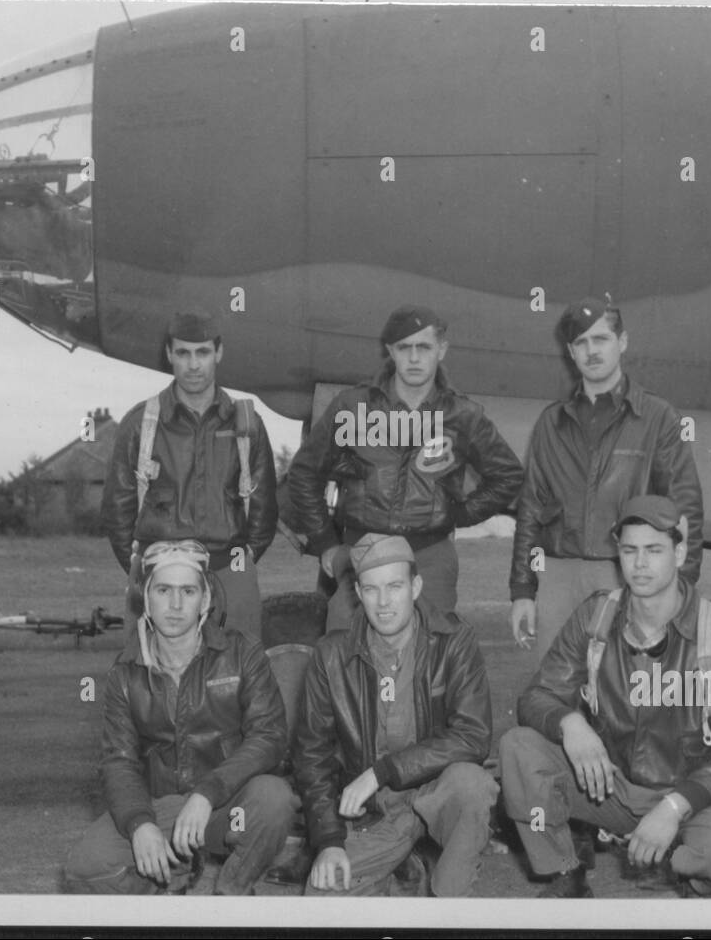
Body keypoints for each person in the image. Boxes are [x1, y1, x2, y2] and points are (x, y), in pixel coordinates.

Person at [500, 496, 711, 898]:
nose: (640, 564)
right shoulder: (596, 617)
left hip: (688, 792)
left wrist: (675, 807)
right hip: (609, 786)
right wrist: (569, 723)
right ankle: (564, 871)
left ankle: (686, 869)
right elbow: (536, 696)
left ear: (679, 553)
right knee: (518, 747)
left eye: (654, 550)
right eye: (630, 551)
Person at [64, 540, 298, 895]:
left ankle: (231, 895)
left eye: (188, 591)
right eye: (163, 590)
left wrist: (207, 793)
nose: (175, 605)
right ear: (145, 597)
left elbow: (269, 737)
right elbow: (118, 763)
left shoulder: (243, 652)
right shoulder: (124, 674)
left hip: (225, 804)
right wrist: (140, 824)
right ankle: (170, 878)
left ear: (204, 600)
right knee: (84, 868)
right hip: (162, 808)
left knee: (274, 799)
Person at [287, 305, 523, 631]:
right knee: (344, 658)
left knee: (432, 660)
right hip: (362, 553)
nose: (413, 358)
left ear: (441, 350)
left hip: (429, 556)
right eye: (404, 348)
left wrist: (460, 514)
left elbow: (508, 475)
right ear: (390, 351)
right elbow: (304, 473)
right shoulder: (352, 408)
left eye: (423, 347)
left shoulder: (463, 416)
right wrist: (325, 541)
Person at [293, 533, 498, 896]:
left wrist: (383, 771)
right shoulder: (330, 656)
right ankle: (402, 864)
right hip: (375, 812)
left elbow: (473, 735)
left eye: (395, 586)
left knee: (473, 785)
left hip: (436, 793)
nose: (384, 602)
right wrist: (328, 841)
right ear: (357, 593)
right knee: (322, 900)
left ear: (416, 586)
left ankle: (447, 901)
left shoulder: (454, 640)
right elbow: (313, 758)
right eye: (371, 589)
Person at [510, 295, 705, 662]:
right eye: (581, 343)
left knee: (628, 694)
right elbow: (530, 511)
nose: (592, 351)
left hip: (627, 574)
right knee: (553, 693)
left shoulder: (658, 418)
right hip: (559, 576)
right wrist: (522, 589)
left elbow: (685, 508)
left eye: (601, 339)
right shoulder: (551, 424)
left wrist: (681, 589)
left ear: (623, 342)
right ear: (570, 351)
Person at [101, 309, 277, 641]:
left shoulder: (247, 423)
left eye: (203, 352)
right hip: (159, 574)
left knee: (237, 682)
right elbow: (117, 510)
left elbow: (264, 509)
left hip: (229, 572)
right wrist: (146, 570)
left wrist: (237, 567)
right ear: (169, 354)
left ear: (219, 353)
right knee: (153, 684)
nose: (193, 364)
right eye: (183, 353)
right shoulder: (141, 423)